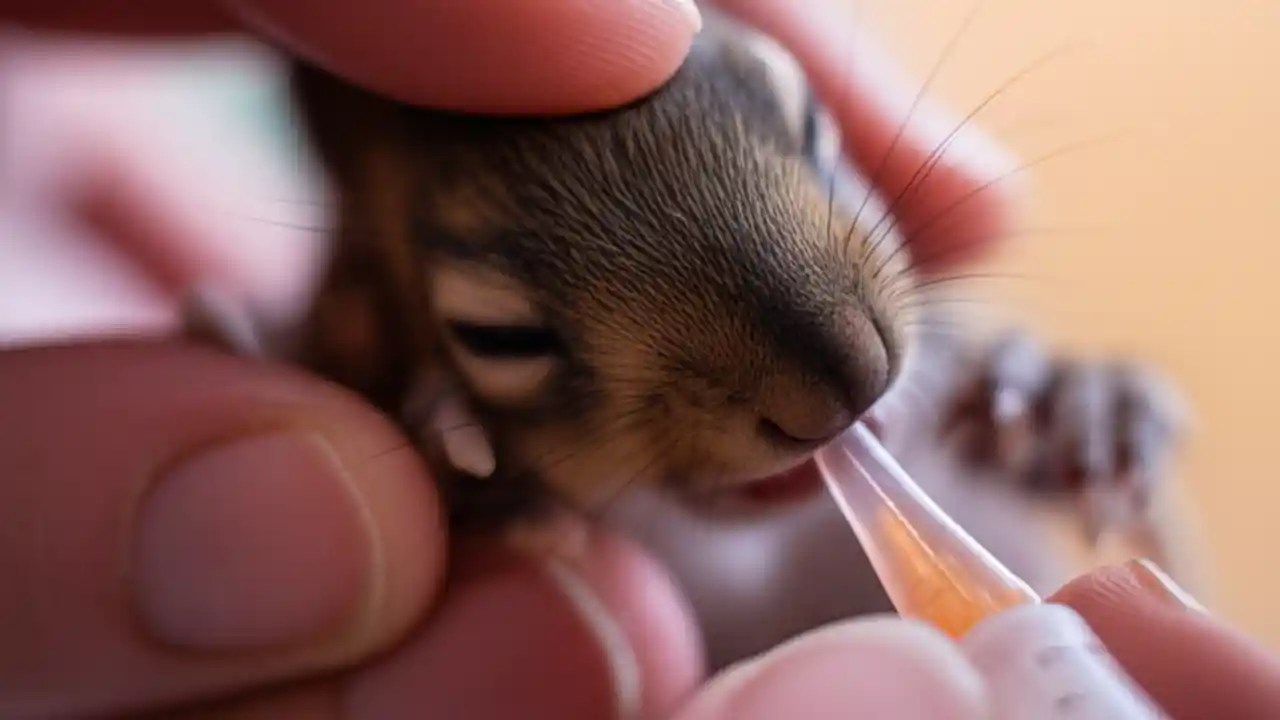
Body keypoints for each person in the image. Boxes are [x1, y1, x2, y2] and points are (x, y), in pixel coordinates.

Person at [1, 1, 1277, 718]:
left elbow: (1130, 567)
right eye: (507, 335)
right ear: (383, 357)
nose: (834, 366)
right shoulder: (478, 518)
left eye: (803, 138)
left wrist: (1083, 422)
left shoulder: (954, 383)